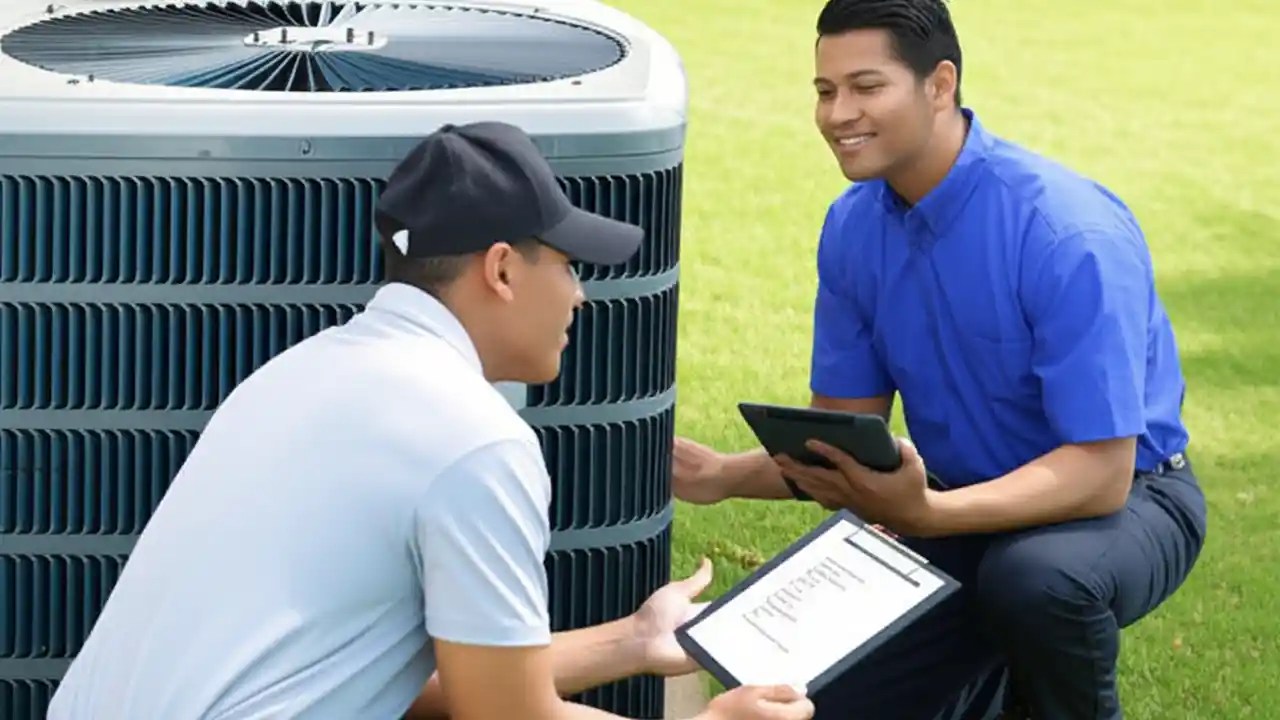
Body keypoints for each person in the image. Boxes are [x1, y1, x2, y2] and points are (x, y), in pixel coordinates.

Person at [47, 122, 815, 720]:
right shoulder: (473, 439)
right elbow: (504, 714)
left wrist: (635, 642)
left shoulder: (304, 371)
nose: (580, 295)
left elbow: (394, 686)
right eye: (569, 264)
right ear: (504, 270)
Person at [670, 1, 1208, 719]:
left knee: (1036, 581)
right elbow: (844, 438)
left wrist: (928, 513)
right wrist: (720, 476)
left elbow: (1101, 473)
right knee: (799, 695)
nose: (838, 114)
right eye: (825, 92)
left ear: (940, 85)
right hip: (958, 504)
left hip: (1127, 501)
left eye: (866, 87)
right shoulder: (854, 226)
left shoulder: (1065, 233)